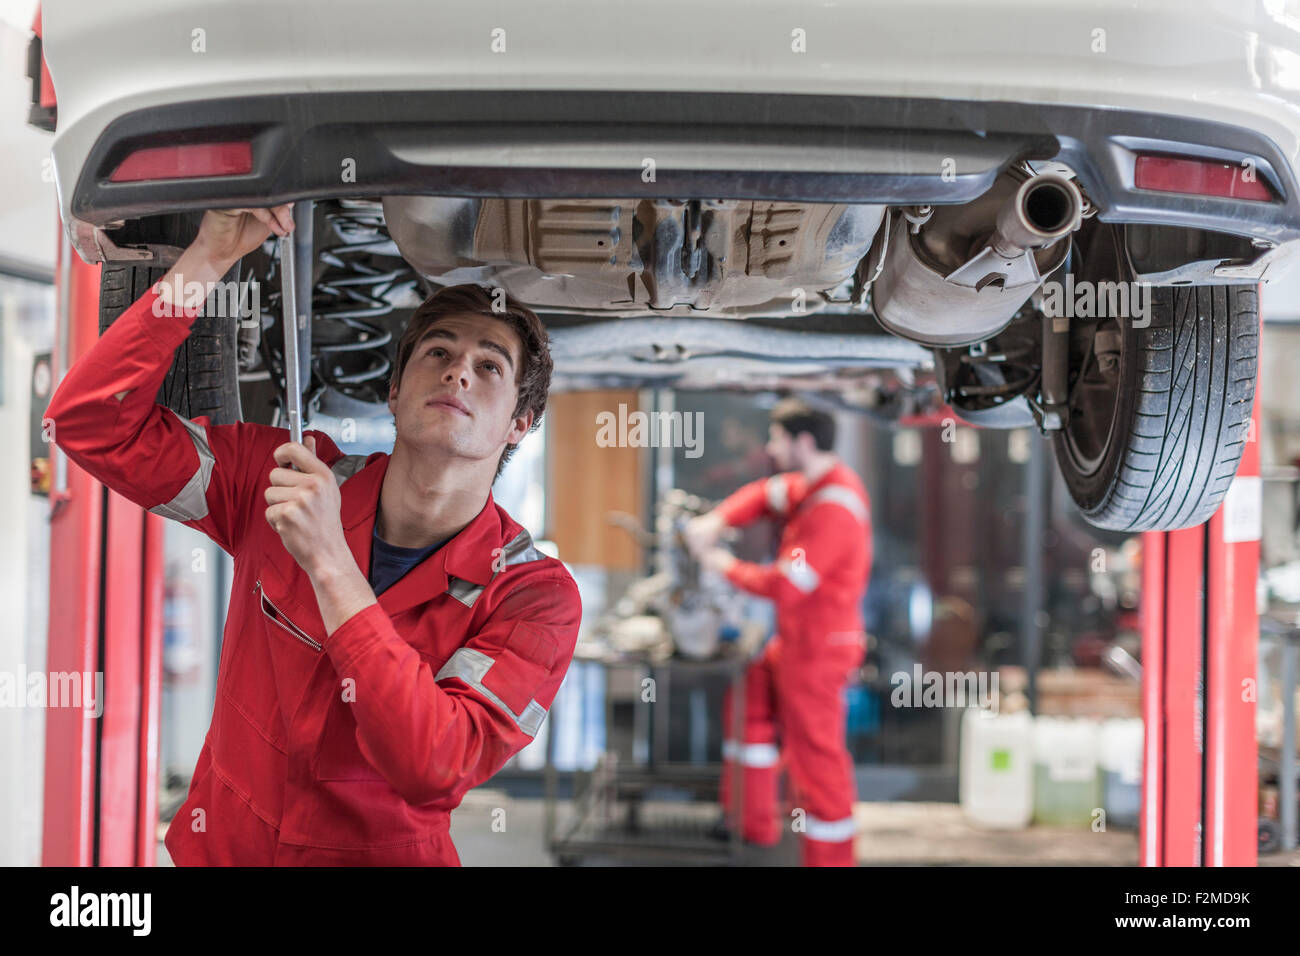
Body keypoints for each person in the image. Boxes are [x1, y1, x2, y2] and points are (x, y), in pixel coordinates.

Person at [45, 206, 581, 865]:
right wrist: (208, 258)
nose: (458, 371)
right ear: (393, 391)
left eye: (490, 366)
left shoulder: (534, 596)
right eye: (439, 351)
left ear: (521, 422)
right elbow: (88, 424)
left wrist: (330, 563)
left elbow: (434, 764)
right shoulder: (286, 475)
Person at [684, 398, 871, 867]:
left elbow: (787, 585)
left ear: (803, 443)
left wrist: (722, 564)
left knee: (817, 763)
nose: (769, 448)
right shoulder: (811, 486)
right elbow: (765, 494)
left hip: (818, 652)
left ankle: (830, 859)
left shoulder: (833, 509)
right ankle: (753, 828)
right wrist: (716, 522)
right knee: (748, 700)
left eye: (777, 439)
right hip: (794, 644)